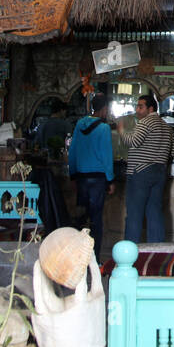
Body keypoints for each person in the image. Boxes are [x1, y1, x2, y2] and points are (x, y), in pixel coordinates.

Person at [123, 93, 174, 243]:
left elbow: (134, 141)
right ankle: (156, 252)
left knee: (134, 213)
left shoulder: (145, 123)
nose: (137, 110)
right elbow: (173, 152)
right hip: (159, 173)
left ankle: (130, 252)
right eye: (137, 106)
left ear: (151, 108)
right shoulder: (167, 127)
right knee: (154, 212)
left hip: (141, 172)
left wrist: (121, 130)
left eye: (140, 106)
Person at [66, 94, 114, 244]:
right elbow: (106, 155)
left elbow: (72, 151)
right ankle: (96, 258)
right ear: (105, 108)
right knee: (95, 220)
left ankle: (79, 255)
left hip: (81, 178)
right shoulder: (104, 128)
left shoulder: (80, 124)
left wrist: (72, 176)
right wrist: (110, 180)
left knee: (81, 219)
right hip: (97, 179)